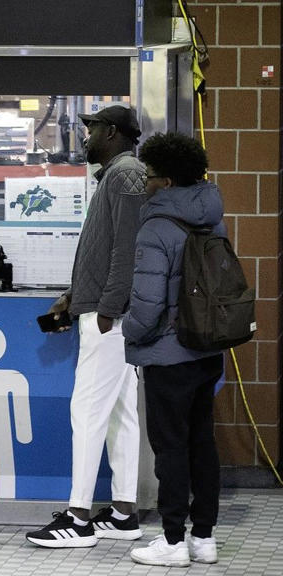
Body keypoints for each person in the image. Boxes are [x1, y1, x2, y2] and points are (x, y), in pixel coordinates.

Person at [26, 105, 146, 548]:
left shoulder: (125, 174)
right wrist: (76, 297)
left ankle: (77, 518)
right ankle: (123, 513)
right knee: (119, 415)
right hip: (104, 310)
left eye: (91, 128)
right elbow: (106, 248)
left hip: (110, 317)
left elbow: (127, 250)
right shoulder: (119, 174)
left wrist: (108, 308)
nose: (85, 136)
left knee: (88, 411)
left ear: (112, 132)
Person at [124, 132, 224, 567]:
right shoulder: (212, 217)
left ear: (165, 182)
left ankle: (172, 541)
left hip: (168, 355)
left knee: (170, 448)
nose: (144, 182)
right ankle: (203, 537)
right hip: (206, 349)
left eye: (149, 175)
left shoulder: (157, 226)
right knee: (202, 442)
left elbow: (146, 307)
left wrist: (127, 331)